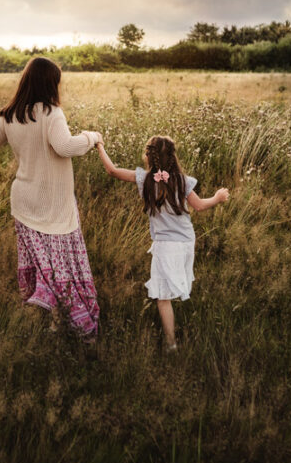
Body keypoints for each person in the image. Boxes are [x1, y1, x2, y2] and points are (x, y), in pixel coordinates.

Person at [0, 57, 103, 337]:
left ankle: (42, 312)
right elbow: (64, 146)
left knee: (41, 264)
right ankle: (73, 322)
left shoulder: (11, 114)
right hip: (54, 206)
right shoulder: (51, 113)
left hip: (24, 202)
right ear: (50, 84)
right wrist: (91, 136)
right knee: (63, 264)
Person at [95, 135, 230, 350]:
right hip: (186, 242)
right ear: (173, 157)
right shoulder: (181, 181)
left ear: (148, 156)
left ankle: (171, 343)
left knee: (162, 297)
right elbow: (200, 206)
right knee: (172, 286)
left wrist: (99, 145)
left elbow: (112, 170)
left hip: (166, 246)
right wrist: (217, 197)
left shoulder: (144, 179)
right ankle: (174, 333)